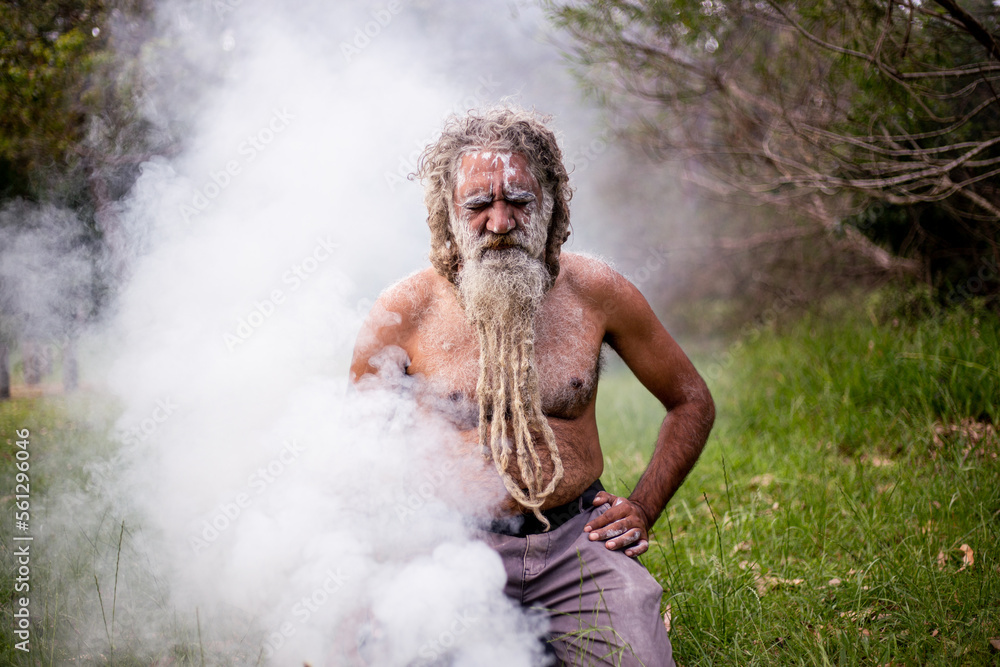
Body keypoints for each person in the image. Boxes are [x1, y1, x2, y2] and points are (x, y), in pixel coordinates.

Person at [350, 107, 715, 666]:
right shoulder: (406, 311)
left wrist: (642, 507)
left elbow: (690, 401)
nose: (500, 222)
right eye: (478, 205)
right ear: (448, 212)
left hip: (578, 542)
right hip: (451, 550)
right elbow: (355, 451)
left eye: (519, 201)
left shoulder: (597, 291)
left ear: (551, 205)